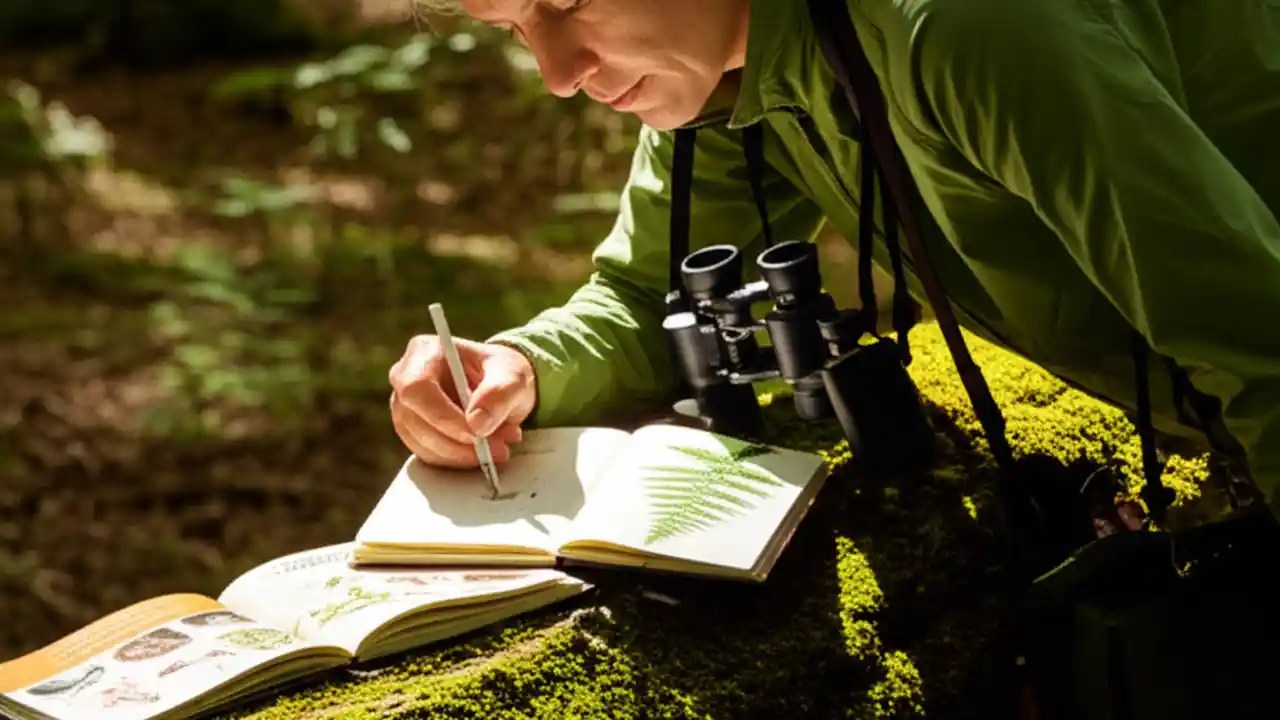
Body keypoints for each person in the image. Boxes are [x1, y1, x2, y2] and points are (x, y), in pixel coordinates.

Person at [388, 0, 1280, 516]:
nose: (555, 69)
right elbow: (642, 302)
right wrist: (518, 367)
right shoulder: (735, 68)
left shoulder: (963, 27)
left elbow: (1263, 348)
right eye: (513, 25)